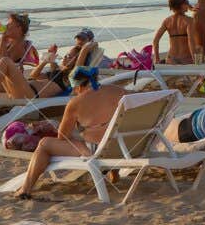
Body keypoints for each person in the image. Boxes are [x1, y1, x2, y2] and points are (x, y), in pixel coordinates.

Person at [10, 66, 127, 199]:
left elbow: (62, 135)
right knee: (105, 131)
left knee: (44, 144)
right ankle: (114, 174)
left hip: (98, 150)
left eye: (73, 89)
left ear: (77, 86)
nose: (74, 92)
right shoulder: (120, 91)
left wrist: (57, 126)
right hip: (125, 145)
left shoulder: (76, 102)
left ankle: (25, 189)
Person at [152, 0, 200, 64]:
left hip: (171, 59)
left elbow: (155, 40)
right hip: (186, 59)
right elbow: (191, 41)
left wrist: (157, 58)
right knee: (200, 48)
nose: (188, 5)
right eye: (187, 3)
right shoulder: (189, 21)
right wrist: (196, 62)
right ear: (182, 5)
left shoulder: (167, 21)